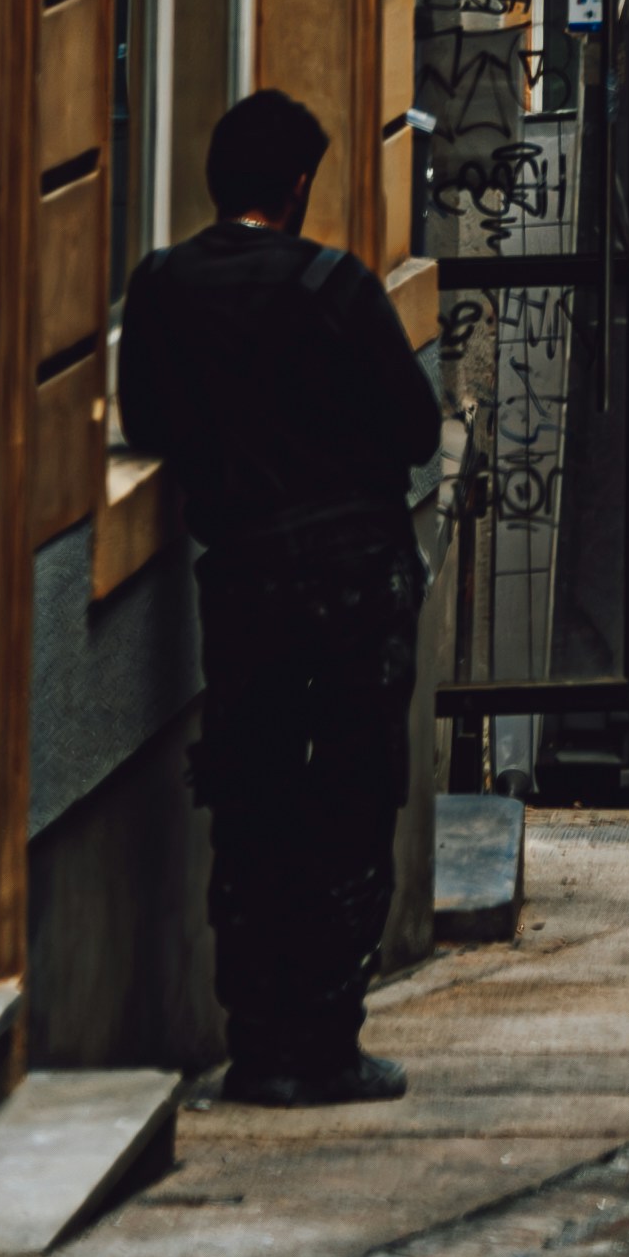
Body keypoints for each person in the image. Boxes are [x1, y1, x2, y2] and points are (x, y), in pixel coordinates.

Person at [115, 86, 443, 1110]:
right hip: (351, 574)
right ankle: (327, 1044)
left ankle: (257, 1047)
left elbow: (149, 415)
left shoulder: (162, 286)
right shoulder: (334, 286)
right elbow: (416, 430)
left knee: (252, 803)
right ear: (297, 187)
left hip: (245, 575)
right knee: (349, 801)